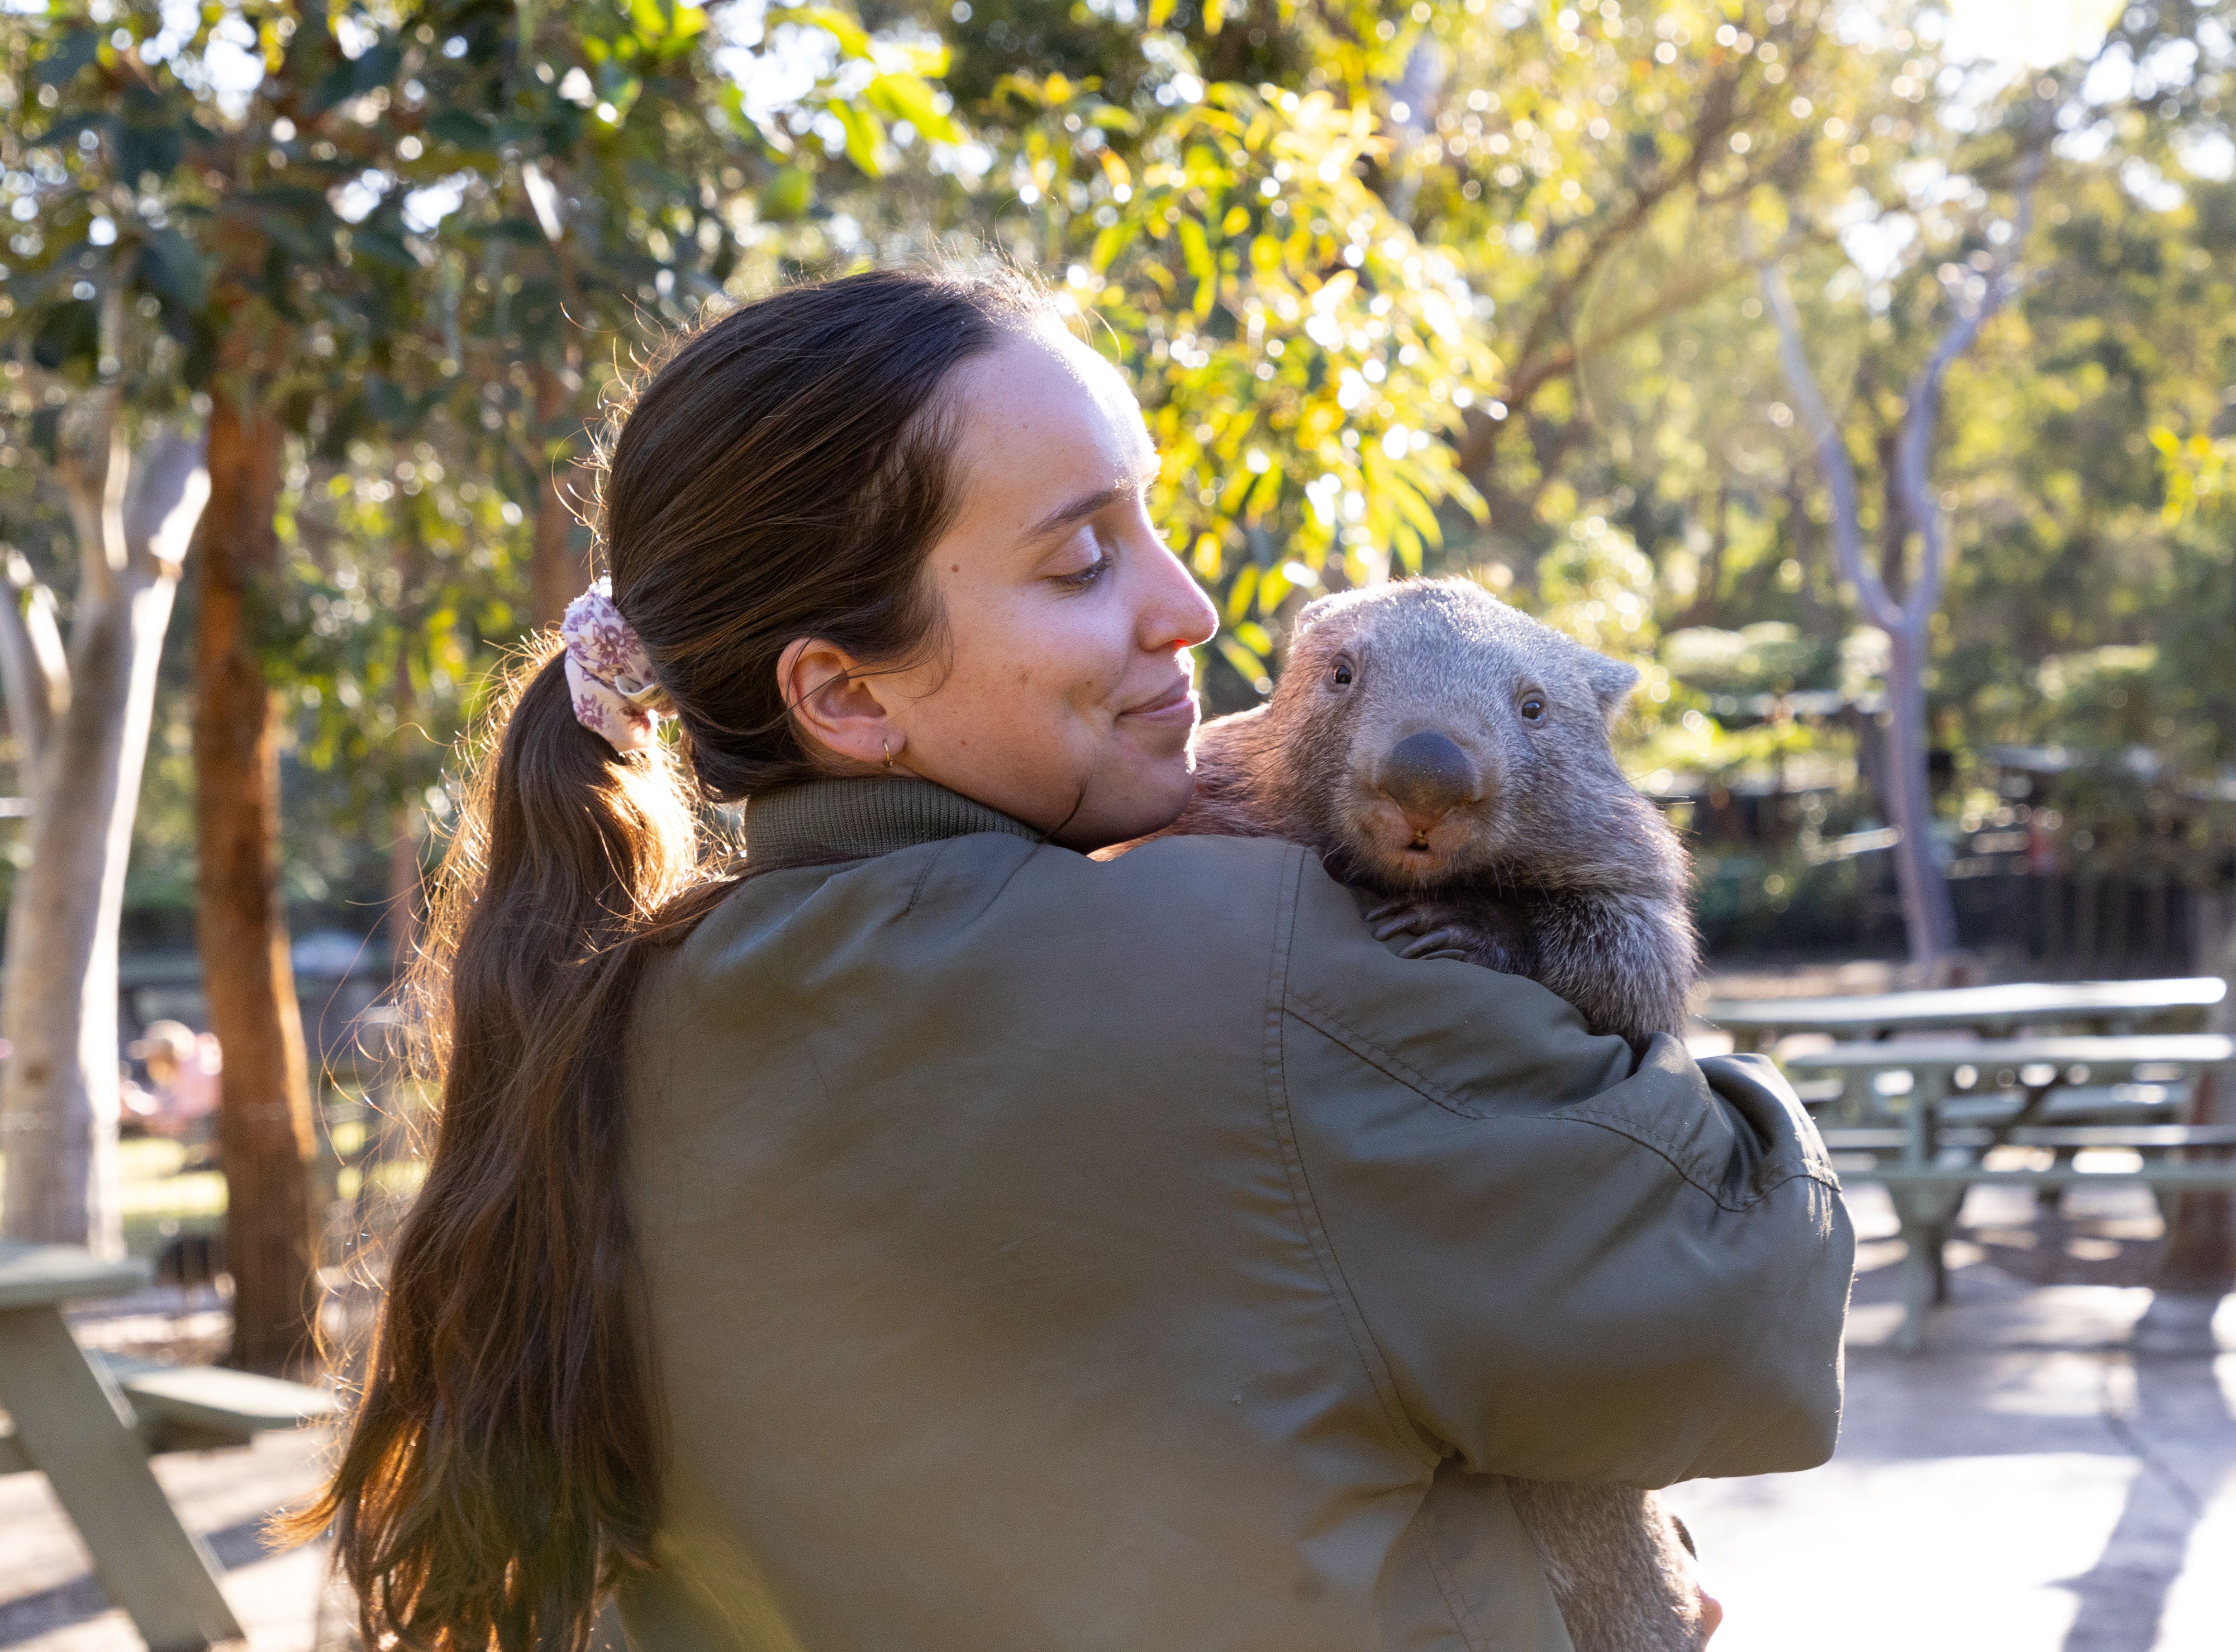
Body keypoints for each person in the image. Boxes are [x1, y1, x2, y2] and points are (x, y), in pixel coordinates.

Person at [299, 266, 1853, 1652]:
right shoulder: (1252, 969)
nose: (1188, 608)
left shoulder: (614, 1011)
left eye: (1154, 525)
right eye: (1082, 561)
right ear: (845, 693)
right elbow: (1756, 1305)